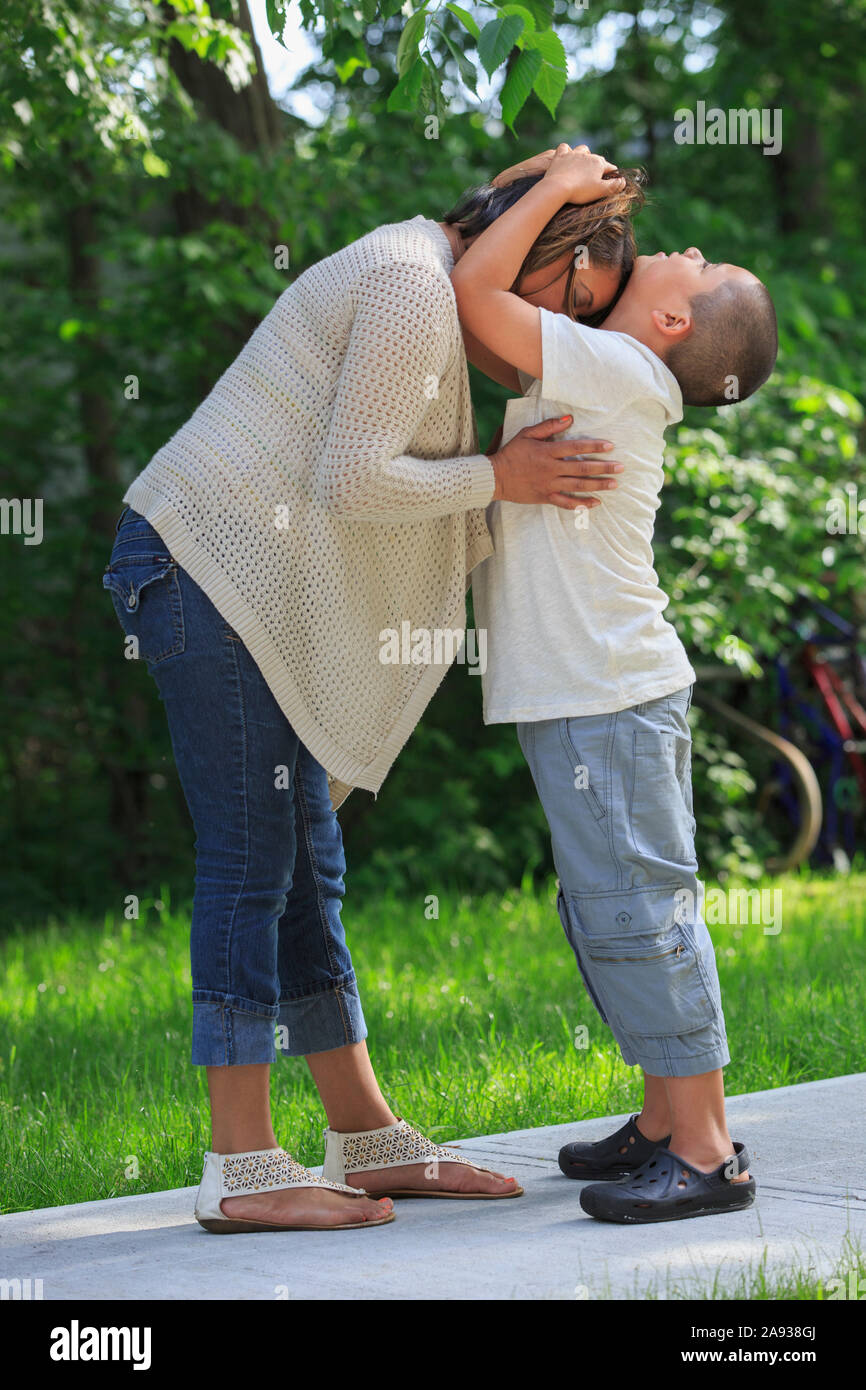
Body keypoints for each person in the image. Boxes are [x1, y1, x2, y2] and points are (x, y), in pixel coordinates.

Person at [100, 150, 643, 1233]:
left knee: (308, 856)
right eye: (565, 301)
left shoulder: (426, 287)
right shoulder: (408, 281)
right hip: (202, 569)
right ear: (526, 245)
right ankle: (241, 1166)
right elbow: (350, 479)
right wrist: (500, 476)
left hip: (229, 577)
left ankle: (364, 1134)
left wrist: (500, 472)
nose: (556, 336)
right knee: (256, 856)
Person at [452, 142, 778, 1223]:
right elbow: (487, 257)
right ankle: (659, 1116)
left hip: (606, 693)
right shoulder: (600, 362)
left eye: (697, 261)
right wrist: (547, 171)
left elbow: (470, 289)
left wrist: (551, 189)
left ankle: (704, 1150)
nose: (680, 247)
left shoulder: (616, 372)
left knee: (641, 910)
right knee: (609, 913)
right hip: (582, 695)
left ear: (674, 326)